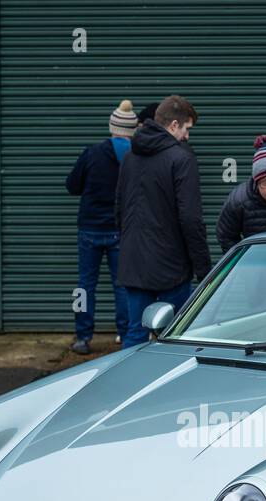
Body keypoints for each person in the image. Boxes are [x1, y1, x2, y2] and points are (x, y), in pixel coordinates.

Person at [115, 95, 211, 348]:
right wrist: (204, 269)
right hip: (171, 266)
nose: (187, 137)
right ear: (173, 126)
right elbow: (191, 219)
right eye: (187, 129)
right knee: (174, 336)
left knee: (135, 333)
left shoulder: (130, 157)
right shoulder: (182, 159)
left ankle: (126, 386)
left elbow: (119, 209)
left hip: (134, 262)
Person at [64, 99, 137, 354]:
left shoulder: (92, 153)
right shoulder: (135, 157)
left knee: (85, 284)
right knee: (122, 284)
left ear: (111, 127)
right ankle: (126, 335)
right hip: (120, 229)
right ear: (132, 131)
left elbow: (72, 185)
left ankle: (83, 338)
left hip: (90, 229)